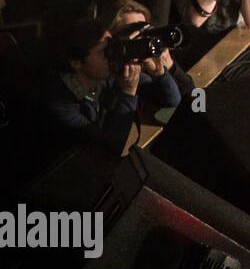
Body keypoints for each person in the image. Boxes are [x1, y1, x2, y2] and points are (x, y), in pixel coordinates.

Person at [31, 18, 179, 162]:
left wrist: (159, 73)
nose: (113, 55)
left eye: (113, 45)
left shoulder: (107, 75)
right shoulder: (59, 102)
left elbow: (171, 100)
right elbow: (109, 150)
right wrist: (128, 93)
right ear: (76, 62)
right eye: (104, 52)